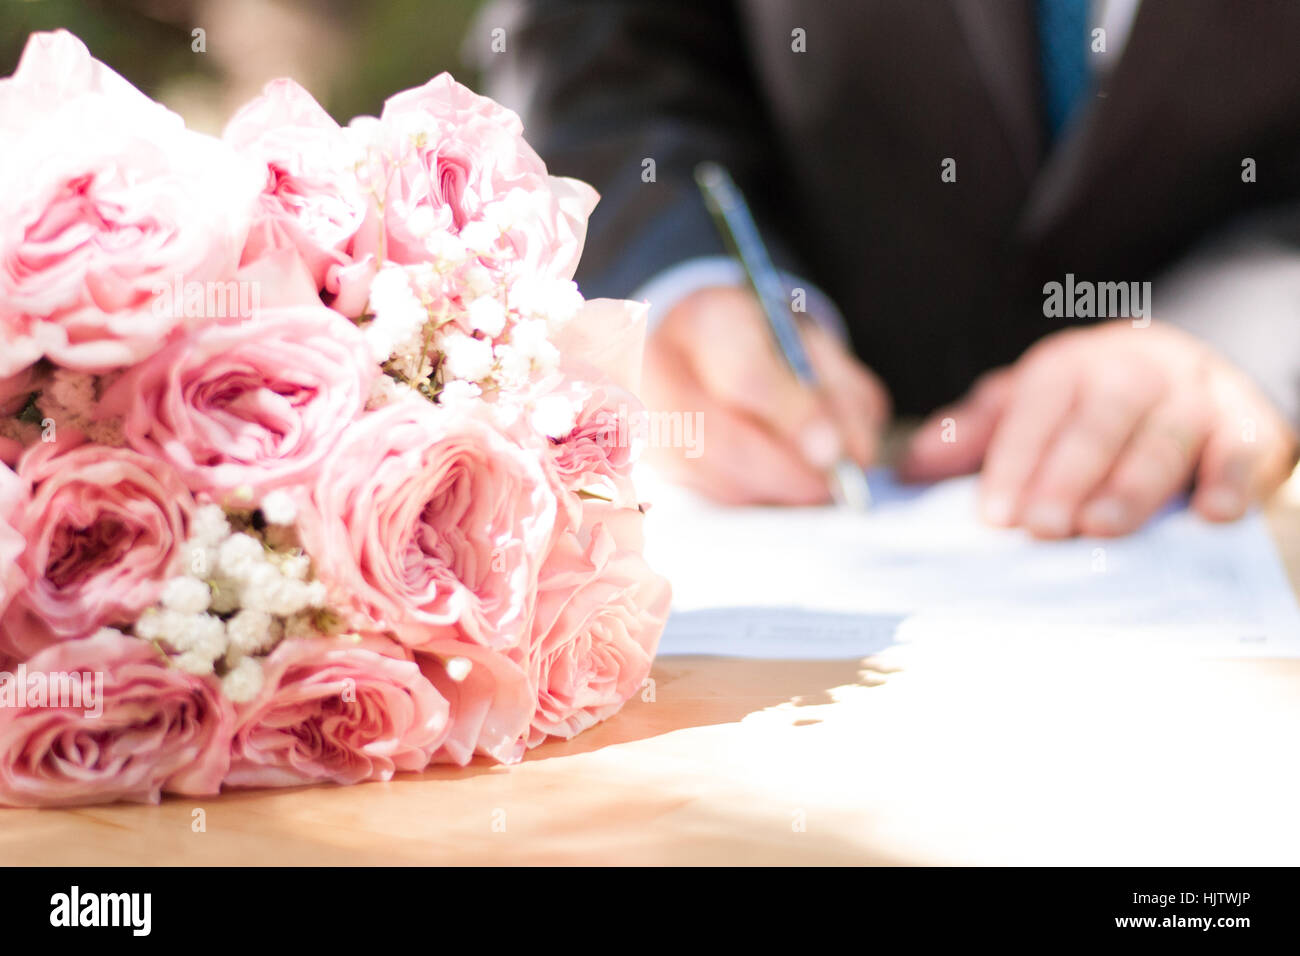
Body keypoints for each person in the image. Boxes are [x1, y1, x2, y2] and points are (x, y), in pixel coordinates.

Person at [480, 0, 1300, 537]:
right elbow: (599, 63)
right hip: (780, 483)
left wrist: (1246, 339)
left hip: (1238, 510)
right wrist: (683, 277)